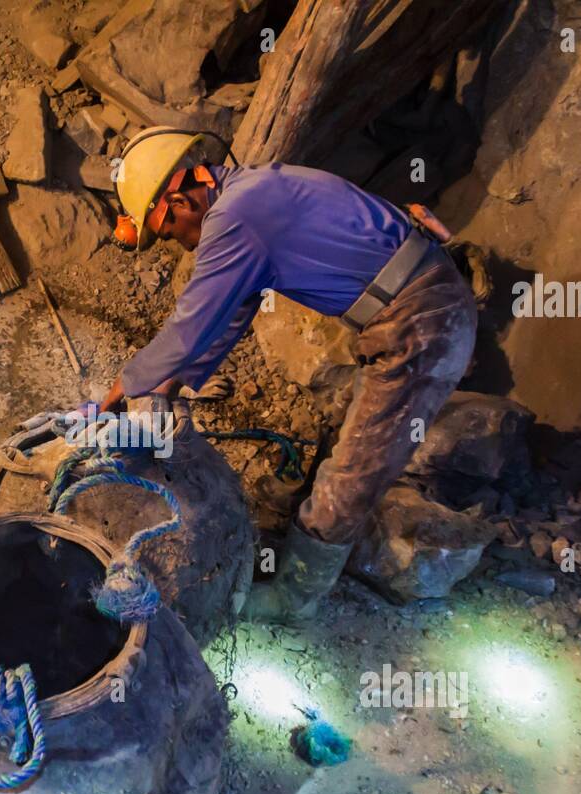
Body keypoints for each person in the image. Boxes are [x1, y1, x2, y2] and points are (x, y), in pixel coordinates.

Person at [102, 127, 478, 625]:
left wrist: (120, 390)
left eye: (172, 233)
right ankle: (304, 525)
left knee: (354, 470)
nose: (183, 245)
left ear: (178, 199)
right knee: (345, 437)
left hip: (422, 324)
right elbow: (230, 310)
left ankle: (294, 600)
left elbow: (190, 324)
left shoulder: (237, 215)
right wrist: (168, 383)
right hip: (412, 308)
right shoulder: (251, 195)